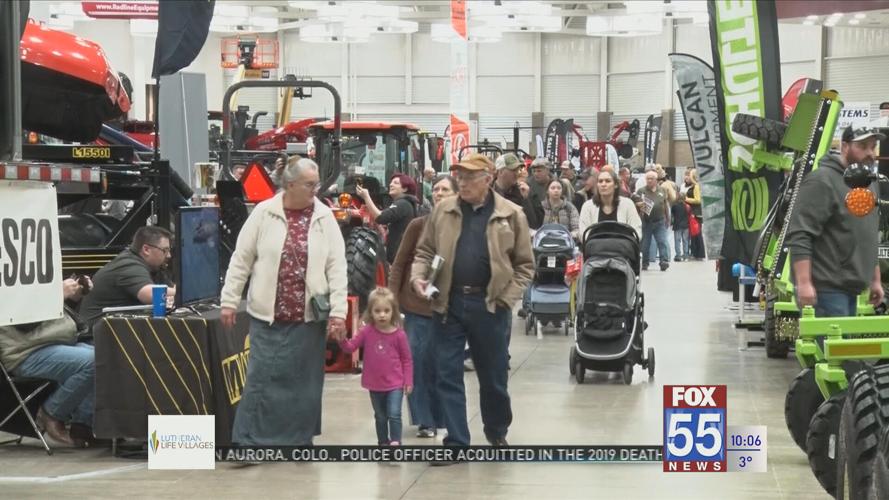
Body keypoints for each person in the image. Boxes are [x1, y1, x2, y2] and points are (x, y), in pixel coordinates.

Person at [410, 153, 533, 456]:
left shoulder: (511, 214)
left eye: (468, 178)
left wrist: (506, 298)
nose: (461, 183)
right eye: (459, 177)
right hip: (448, 303)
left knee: (493, 378)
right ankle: (456, 442)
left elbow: (525, 265)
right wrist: (419, 277)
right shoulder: (443, 211)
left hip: (490, 305)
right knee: (447, 373)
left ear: (487, 180)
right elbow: (425, 252)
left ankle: (496, 430)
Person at [219, 157, 348, 446]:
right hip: (267, 317)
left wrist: (339, 313)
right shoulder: (264, 213)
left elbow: (337, 268)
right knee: (260, 380)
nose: (316, 190)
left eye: (316, 184)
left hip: (309, 319)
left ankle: (298, 442)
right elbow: (241, 259)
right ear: (290, 185)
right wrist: (229, 300)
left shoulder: (324, 217)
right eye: (309, 184)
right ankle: (246, 442)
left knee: (304, 385)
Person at [786, 126, 886, 317]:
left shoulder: (869, 183)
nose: (870, 153)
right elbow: (800, 233)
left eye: (873, 147)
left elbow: (869, 234)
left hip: (852, 288)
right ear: (845, 146)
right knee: (830, 338)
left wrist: (875, 280)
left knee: (844, 337)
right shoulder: (822, 181)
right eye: (863, 146)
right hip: (825, 290)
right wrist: (804, 283)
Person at [388, 175, 457, 439]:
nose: (438, 193)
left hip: (449, 309)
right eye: (436, 189)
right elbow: (398, 265)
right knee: (416, 363)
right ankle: (425, 420)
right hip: (416, 308)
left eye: (445, 189)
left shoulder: (462, 228)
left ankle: (443, 417)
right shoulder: (417, 226)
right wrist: (392, 302)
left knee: (443, 366)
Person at [0, 277, 95, 448]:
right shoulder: (9, 281)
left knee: (105, 357)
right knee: (92, 361)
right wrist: (57, 294)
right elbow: (24, 323)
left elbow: (47, 316)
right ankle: (51, 414)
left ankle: (82, 426)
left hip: (53, 343)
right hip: (25, 353)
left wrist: (73, 293)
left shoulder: (31, 276)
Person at [339, 288, 413, 446]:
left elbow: (407, 360)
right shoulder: (366, 332)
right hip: (375, 384)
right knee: (380, 416)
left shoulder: (399, 335)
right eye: (377, 311)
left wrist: (408, 380)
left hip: (395, 384)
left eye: (386, 311)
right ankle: (383, 443)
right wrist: (341, 339)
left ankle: (396, 442)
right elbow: (350, 347)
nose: (382, 315)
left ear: (393, 312)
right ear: (370, 312)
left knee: (394, 414)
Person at [78, 226, 175, 325]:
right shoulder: (129, 264)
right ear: (146, 249)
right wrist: (179, 292)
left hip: (116, 326)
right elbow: (151, 294)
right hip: (99, 330)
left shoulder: (154, 267)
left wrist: (175, 292)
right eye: (165, 250)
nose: (169, 255)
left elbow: (170, 290)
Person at [357, 173, 421, 264]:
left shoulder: (402, 204)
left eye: (396, 183)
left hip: (399, 259)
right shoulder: (406, 204)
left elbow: (380, 217)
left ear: (405, 189)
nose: (391, 185)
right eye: (391, 182)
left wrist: (366, 196)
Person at [579, 169, 642, 239]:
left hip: (623, 245)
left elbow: (636, 230)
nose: (603, 184)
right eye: (600, 181)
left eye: (608, 181)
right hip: (595, 245)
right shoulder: (587, 206)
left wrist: (627, 242)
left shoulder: (628, 204)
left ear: (616, 185)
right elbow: (583, 233)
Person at [493, 153, 543, 229]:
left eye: (518, 170)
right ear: (500, 172)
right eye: (513, 170)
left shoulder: (525, 191)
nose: (517, 173)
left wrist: (526, 199)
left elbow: (534, 225)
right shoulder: (486, 193)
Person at [635, 170, 671, 271]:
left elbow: (665, 205)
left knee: (662, 241)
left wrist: (668, 219)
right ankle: (645, 263)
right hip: (646, 222)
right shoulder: (641, 191)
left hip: (659, 221)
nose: (649, 180)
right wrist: (638, 207)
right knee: (645, 244)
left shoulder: (662, 190)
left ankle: (664, 261)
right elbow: (636, 205)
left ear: (656, 180)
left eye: (651, 178)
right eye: (648, 179)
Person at [682, 168, 705, 259]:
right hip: (694, 212)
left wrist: (686, 199)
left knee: (696, 233)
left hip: (696, 213)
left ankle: (698, 253)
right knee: (695, 233)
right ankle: (696, 253)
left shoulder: (696, 186)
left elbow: (697, 200)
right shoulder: (695, 186)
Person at [671, 192, 691, 261]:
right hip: (686, 225)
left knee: (677, 241)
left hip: (677, 225)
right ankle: (686, 255)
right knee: (685, 241)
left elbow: (672, 215)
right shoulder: (688, 206)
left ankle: (678, 255)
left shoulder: (674, 206)